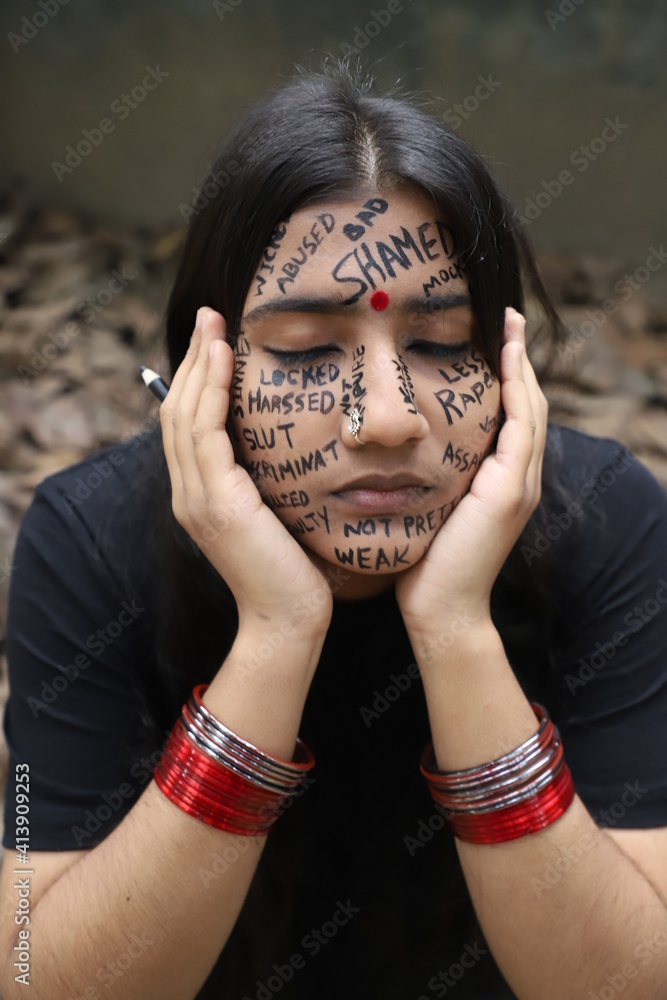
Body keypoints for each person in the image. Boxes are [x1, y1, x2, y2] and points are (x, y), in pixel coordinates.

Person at [1, 60, 667, 1000]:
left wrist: (455, 631)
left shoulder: (607, 524)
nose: (387, 418)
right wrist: (275, 631)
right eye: (308, 350)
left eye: (441, 345)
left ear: (508, 363)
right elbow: (34, 979)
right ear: (206, 373)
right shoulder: (90, 542)